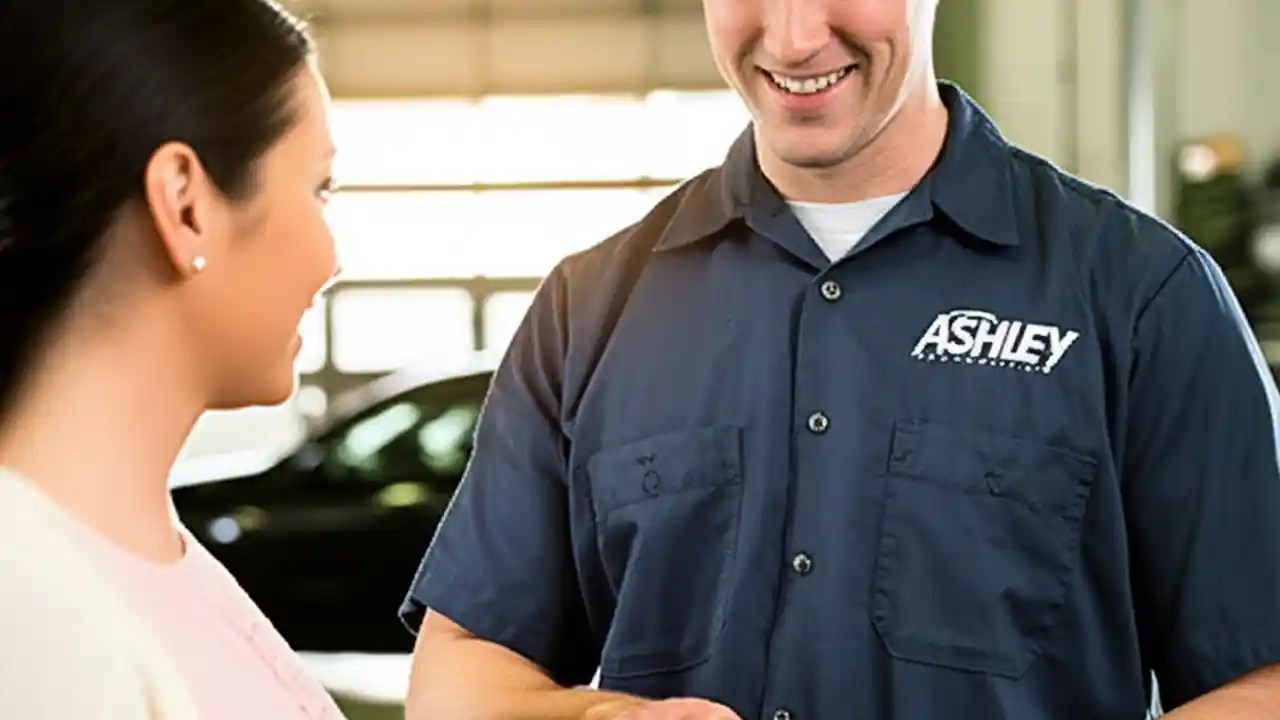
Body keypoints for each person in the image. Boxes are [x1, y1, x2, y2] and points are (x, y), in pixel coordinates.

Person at [400, 0, 1280, 718]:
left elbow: (1258, 678)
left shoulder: (1141, 296)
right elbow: (463, 669)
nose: (794, 37)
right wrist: (606, 719)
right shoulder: (589, 308)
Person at [0, 1, 347, 718]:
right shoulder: (28, 613)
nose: (331, 257)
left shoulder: (142, 562)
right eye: (318, 188)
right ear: (185, 203)